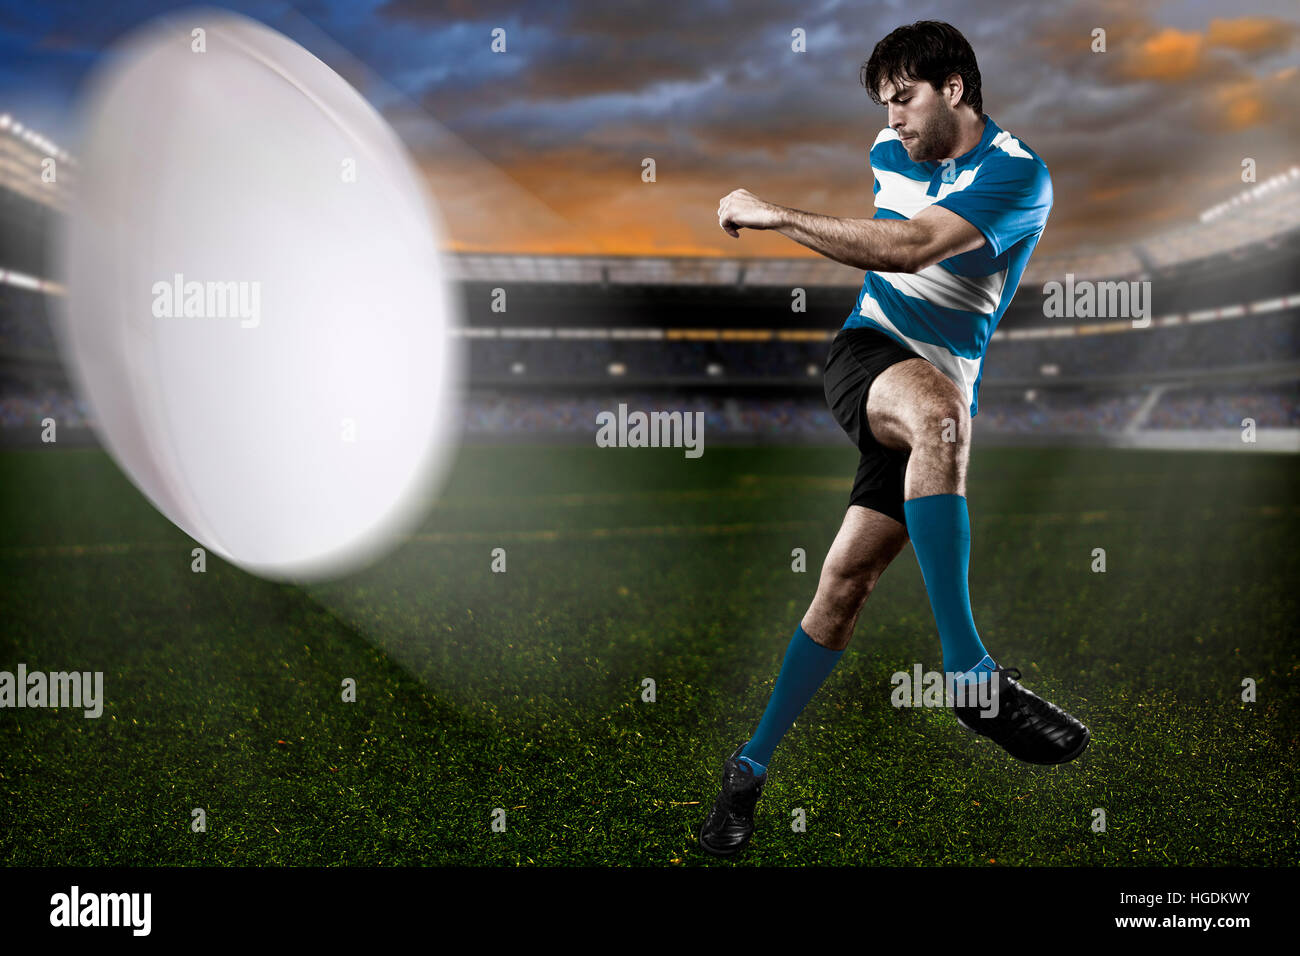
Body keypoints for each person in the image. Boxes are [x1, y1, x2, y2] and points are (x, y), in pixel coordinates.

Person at [700, 20, 1089, 858]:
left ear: (955, 89)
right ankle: (972, 679)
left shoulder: (1019, 175)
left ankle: (747, 771)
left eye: (904, 97)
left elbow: (913, 247)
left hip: (936, 378)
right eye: (882, 104)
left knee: (842, 586)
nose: (891, 120)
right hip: (870, 358)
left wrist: (773, 214)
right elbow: (889, 253)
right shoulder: (890, 150)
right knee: (943, 416)